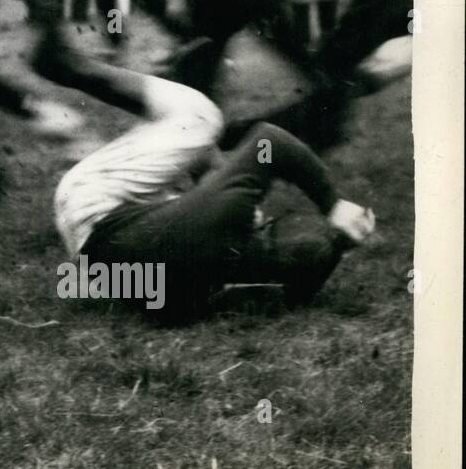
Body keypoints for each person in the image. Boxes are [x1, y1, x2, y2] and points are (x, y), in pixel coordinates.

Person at [41, 39, 377, 322]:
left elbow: (270, 141)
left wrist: (333, 205)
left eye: (271, 226)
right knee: (197, 197)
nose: (264, 219)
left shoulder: (225, 223)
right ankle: (189, 116)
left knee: (199, 116)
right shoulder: (205, 289)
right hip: (108, 269)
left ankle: (73, 66)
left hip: (92, 204)